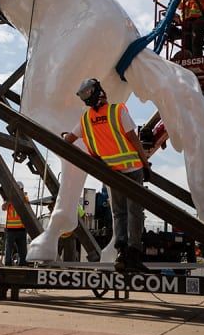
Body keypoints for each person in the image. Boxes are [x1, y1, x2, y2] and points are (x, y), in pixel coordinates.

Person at [61, 78, 151, 272]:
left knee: (119, 212)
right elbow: (134, 139)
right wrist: (146, 165)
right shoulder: (118, 111)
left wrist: (62, 137)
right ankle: (133, 253)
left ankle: (121, 251)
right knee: (135, 212)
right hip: (133, 170)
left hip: (113, 173)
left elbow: (68, 140)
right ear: (102, 93)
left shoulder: (85, 120)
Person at [1, 181, 28, 267]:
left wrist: (22, 198)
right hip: (11, 229)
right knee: (8, 249)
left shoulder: (25, 198)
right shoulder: (9, 199)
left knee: (22, 250)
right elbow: (3, 208)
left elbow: (27, 205)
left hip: (21, 229)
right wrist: (9, 202)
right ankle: (8, 264)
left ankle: (22, 264)